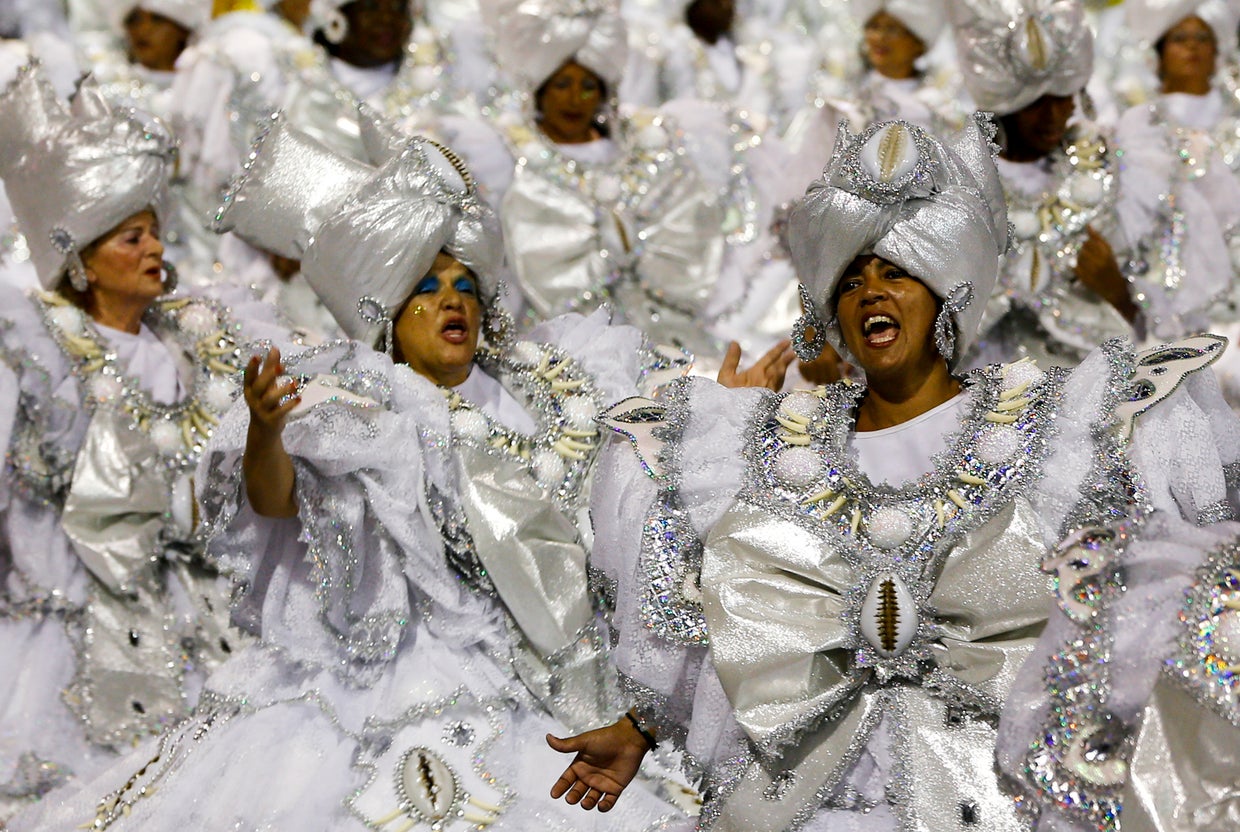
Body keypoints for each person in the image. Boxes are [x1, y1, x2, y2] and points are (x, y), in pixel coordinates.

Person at [11, 112, 790, 830]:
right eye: (426, 289)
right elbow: (273, 502)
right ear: (387, 311)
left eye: (464, 287)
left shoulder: (553, 382)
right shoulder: (354, 401)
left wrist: (722, 410)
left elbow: (652, 433)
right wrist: (267, 431)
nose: (452, 302)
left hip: (556, 677)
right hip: (405, 669)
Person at [549, 115, 1240, 830]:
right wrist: (639, 730)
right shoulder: (761, 447)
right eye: (850, 281)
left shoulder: (1060, 427)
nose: (872, 292)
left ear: (943, 290)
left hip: (991, 799)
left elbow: (1132, 608)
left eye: (896, 272)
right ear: (832, 313)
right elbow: (728, 628)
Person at [0, 64, 251, 820]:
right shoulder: (35, 349)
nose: (155, 250)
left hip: (189, 610)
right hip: (72, 618)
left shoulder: (194, 342)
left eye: (157, 233)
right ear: (79, 257)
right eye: (133, 236)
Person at [952, 0, 1139, 369]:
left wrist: (1117, 290)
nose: (1053, 116)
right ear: (1003, 103)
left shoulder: (1112, 163)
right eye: (1037, 103)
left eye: (1063, 99)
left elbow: (1163, 312)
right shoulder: (954, 175)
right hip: (973, 377)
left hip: (1090, 374)